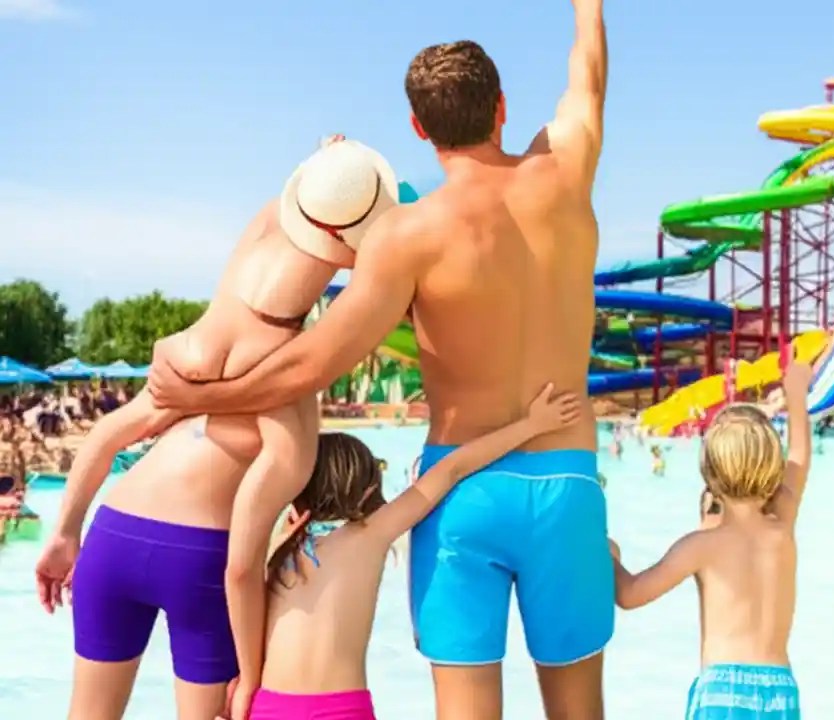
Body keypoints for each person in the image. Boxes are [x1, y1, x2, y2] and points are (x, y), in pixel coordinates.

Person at [145, 5, 612, 717]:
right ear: (502, 107)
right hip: (568, 480)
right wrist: (587, 8)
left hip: (461, 493)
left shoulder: (407, 234)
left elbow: (310, 365)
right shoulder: (567, 168)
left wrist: (197, 396)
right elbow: (589, 73)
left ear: (420, 129)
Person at [32, 141, 397, 720]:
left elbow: (103, 438)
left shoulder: (183, 356)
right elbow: (240, 567)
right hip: (198, 559)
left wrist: (64, 534)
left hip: (112, 535)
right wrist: (251, 677)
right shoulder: (291, 414)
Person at [246, 384, 580, 719]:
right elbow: (453, 469)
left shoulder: (278, 550)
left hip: (271, 706)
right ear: (366, 491)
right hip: (339, 709)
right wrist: (532, 425)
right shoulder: (369, 534)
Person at [609, 359, 812, 719]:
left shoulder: (700, 546)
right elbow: (799, 455)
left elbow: (629, 594)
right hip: (781, 690)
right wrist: (796, 394)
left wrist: (608, 556)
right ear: (773, 470)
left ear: (710, 477)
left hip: (723, 690)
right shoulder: (781, 529)